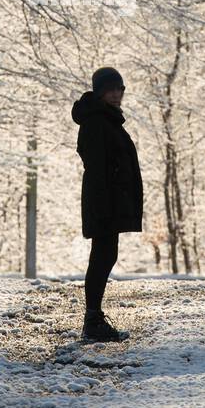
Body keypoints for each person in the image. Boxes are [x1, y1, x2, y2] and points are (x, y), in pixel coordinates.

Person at [71, 66, 143, 341]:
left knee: (105, 255)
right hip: (103, 201)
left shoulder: (105, 119)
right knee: (102, 255)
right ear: (100, 92)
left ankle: (94, 318)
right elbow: (98, 166)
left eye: (120, 89)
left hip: (108, 200)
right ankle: (92, 320)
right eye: (111, 89)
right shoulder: (97, 122)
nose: (116, 94)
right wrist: (104, 204)